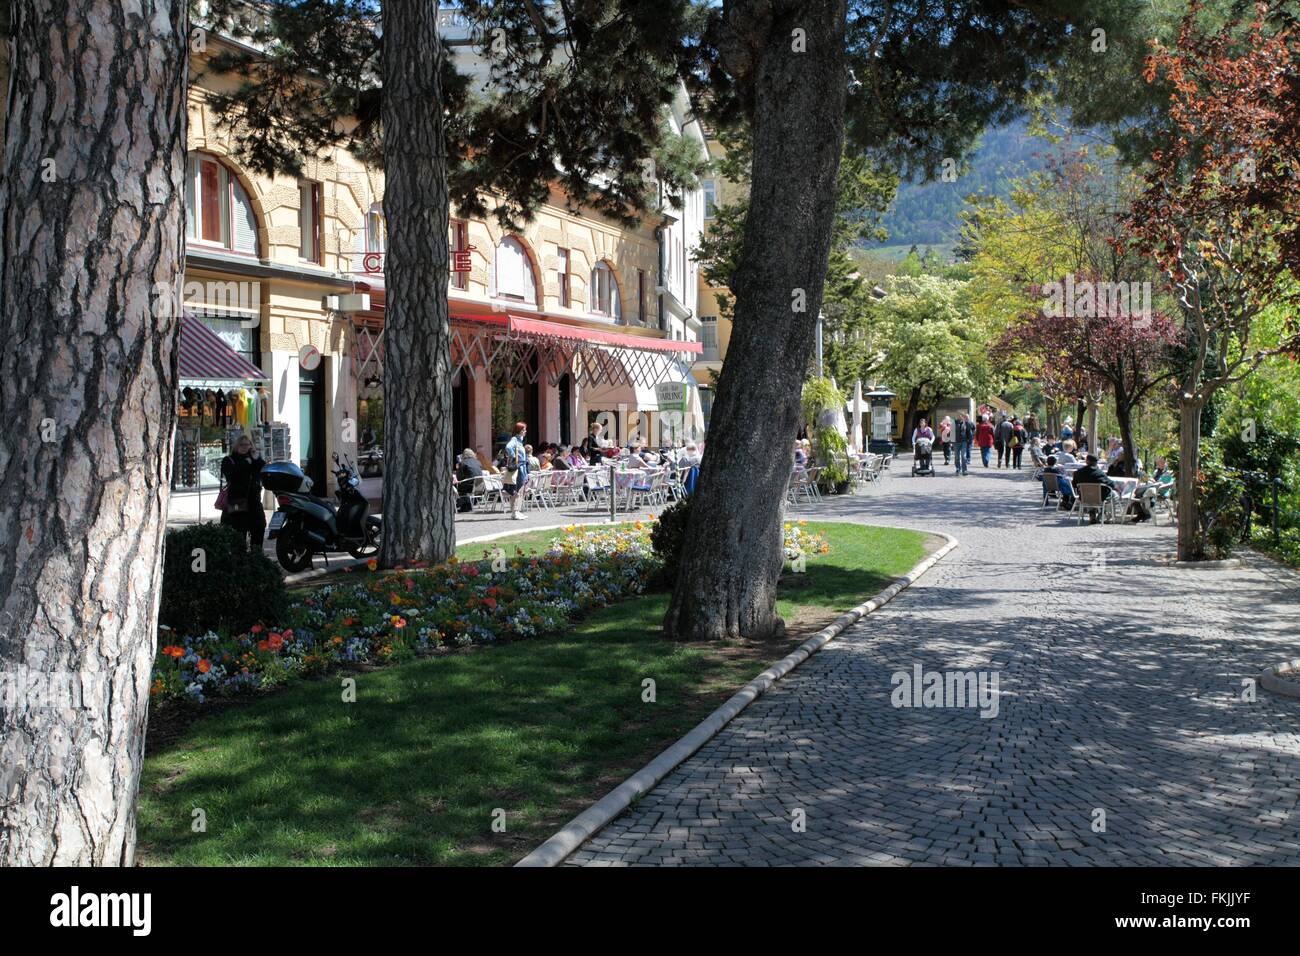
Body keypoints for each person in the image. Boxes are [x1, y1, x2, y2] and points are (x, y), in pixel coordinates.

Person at [220, 434, 266, 549]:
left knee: (259, 530)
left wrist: (257, 458)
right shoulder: (229, 460)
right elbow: (231, 476)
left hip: (254, 503)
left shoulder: (253, 460)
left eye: (247, 444)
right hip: (237, 503)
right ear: (236, 446)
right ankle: (240, 559)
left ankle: (256, 557)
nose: (245, 447)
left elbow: (264, 470)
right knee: (238, 537)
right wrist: (246, 463)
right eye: (242, 444)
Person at [1071, 454, 1117, 523]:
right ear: (1096, 462)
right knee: (1114, 495)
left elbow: (1074, 485)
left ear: (1086, 461)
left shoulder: (1078, 472)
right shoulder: (1099, 473)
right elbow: (1111, 484)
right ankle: (1105, 515)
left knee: (1090, 494)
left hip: (1084, 497)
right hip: (1099, 498)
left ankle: (1092, 513)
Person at [503, 422, 530, 520]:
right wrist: (514, 457)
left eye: (525, 429)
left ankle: (517, 511)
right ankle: (514, 512)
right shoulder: (514, 439)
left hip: (522, 469)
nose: (525, 431)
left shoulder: (520, 441)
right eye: (523, 430)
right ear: (519, 431)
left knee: (520, 490)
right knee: (516, 491)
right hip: (518, 469)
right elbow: (508, 447)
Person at [455, 448, 484, 512]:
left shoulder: (463, 463)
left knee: (456, 486)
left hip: (469, 486)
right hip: (479, 486)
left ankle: (463, 505)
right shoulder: (478, 462)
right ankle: (468, 504)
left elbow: (459, 477)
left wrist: (457, 469)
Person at [953, 412, 976, 476]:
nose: (960, 417)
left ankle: (964, 470)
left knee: (963, 456)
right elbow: (951, 433)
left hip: (964, 442)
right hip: (956, 442)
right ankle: (958, 469)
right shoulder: (954, 423)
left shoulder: (966, 424)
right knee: (957, 457)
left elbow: (969, 433)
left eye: (962, 416)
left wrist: (969, 440)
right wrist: (951, 442)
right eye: (959, 416)